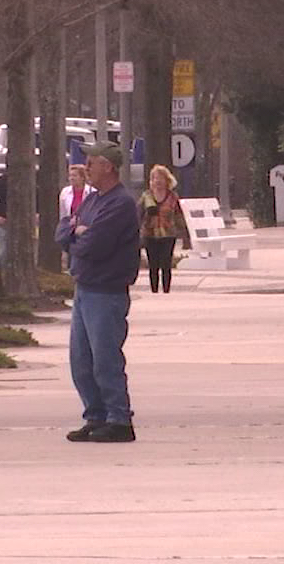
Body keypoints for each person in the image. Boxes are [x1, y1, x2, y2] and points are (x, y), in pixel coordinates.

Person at [56, 142, 140, 443]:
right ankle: (96, 415)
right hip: (84, 288)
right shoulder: (91, 202)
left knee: (105, 358)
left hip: (107, 291)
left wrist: (80, 238)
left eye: (92, 162)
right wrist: (76, 233)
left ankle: (119, 419)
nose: (86, 167)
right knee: (81, 360)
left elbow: (96, 246)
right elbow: (63, 229)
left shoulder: (120, 204)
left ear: (110, 167)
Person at [138, 164, 186, 294]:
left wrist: (185, 235)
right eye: (154, 178)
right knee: (153, 265)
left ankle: (166, 291)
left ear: (167, 180)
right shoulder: (146, 196)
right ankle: (154, 290)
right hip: (150, 234)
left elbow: (178, 215)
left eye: (160, 178)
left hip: (168, 234)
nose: (157, 181)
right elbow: (138, 214)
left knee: (166, 263)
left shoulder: (172, 197)